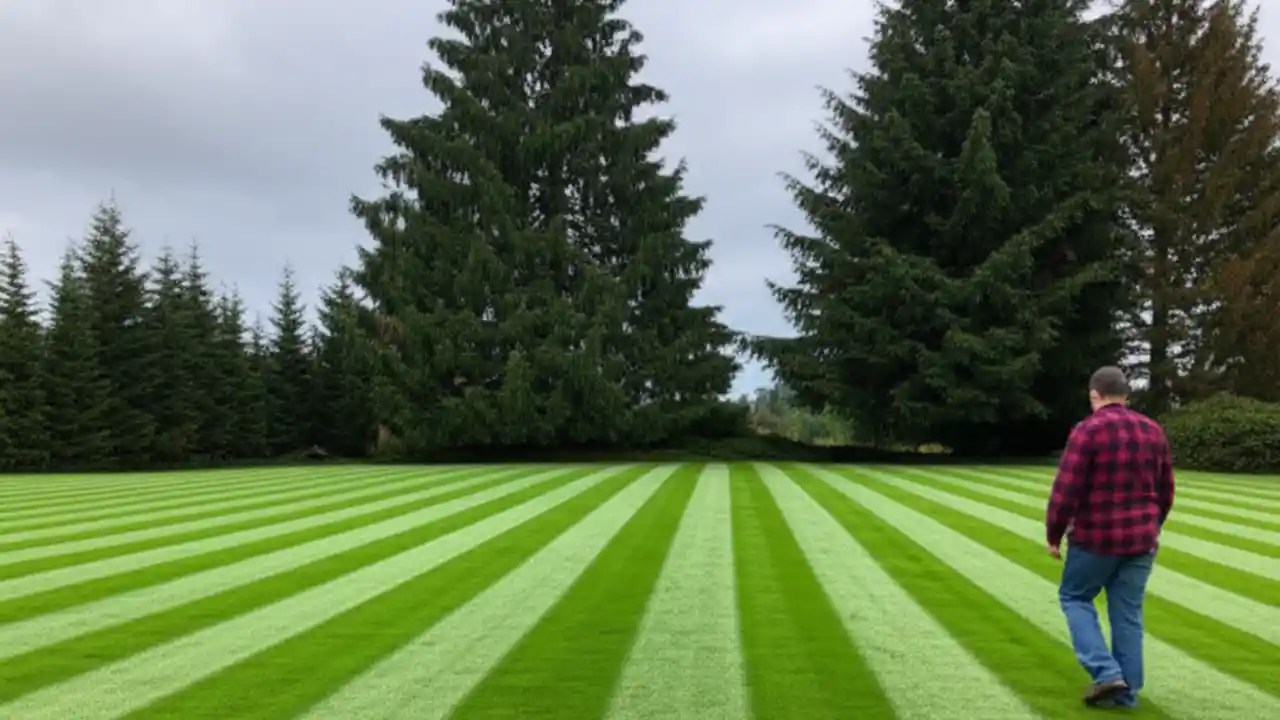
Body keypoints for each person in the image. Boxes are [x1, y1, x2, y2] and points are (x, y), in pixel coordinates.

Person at [1045, 366, 1175, 709]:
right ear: (1126, 395)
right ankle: (1126, 695)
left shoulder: (1087, 431)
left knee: (1074, 597)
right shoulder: (1153, 431)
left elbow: (1066, 490)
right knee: (1127, 614)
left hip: (1096, 537)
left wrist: (1054, 534)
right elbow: (1166, 491)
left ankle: (1106, 673)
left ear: (1094, 395)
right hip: (1141, 540)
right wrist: (1153, 526)